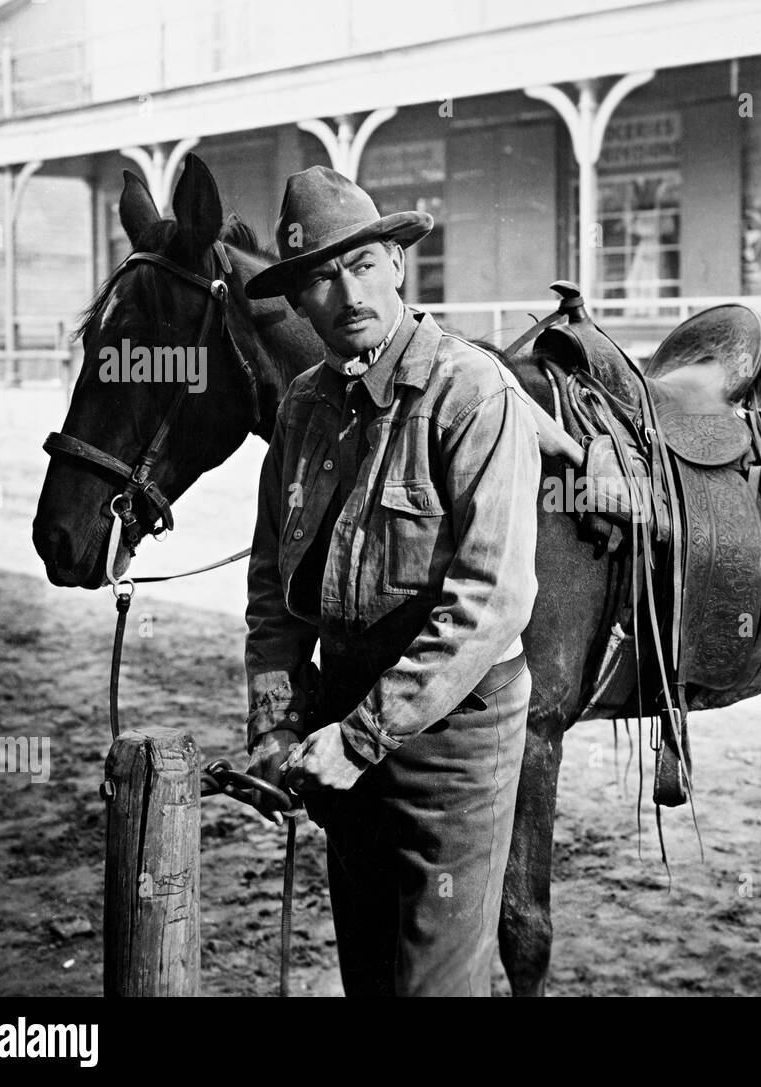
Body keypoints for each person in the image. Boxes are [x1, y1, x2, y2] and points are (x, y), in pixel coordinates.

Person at [241, 166, 541, 996]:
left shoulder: (472, 393)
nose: (347, 292)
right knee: (369, 972)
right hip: (344, 724)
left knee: (435, 983)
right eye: (320, 277)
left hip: (454, 740)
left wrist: (362, 735)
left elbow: (490, 598)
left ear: (398, 265)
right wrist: (276, 721)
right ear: (298, 302)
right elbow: (272, 591)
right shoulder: (302, 408)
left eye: (363, 263)